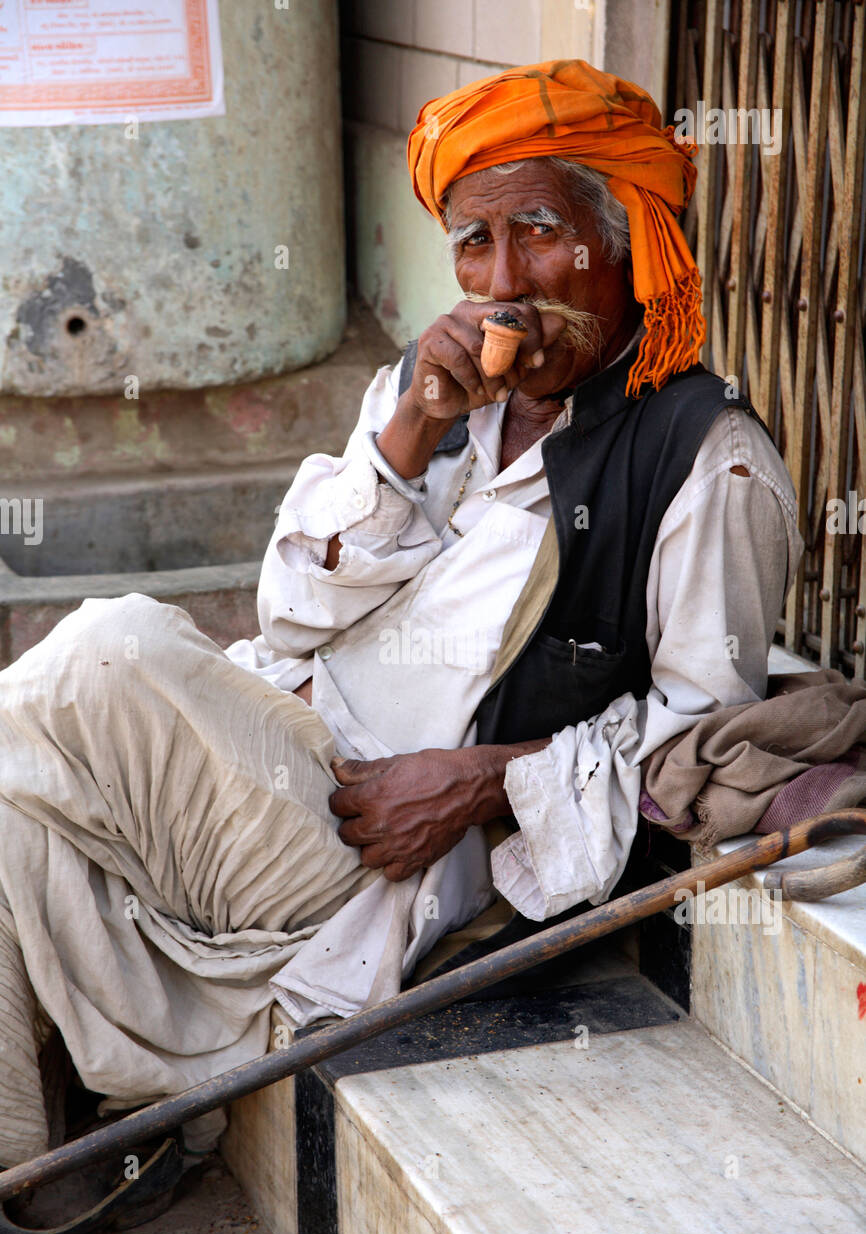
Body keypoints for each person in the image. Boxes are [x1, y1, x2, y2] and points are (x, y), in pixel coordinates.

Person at [0, 60, 801, 1173]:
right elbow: (283, 616)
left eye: (537, 231)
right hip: (280, 746)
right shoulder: (440, 388)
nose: (505, 281)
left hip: (367, 848)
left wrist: (482, 784)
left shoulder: (706, 462)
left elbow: (700, 749)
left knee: (106, 648)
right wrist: (409, 436)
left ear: (623, 241)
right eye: (475, 244)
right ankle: (21, 1179)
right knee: (11, 819)